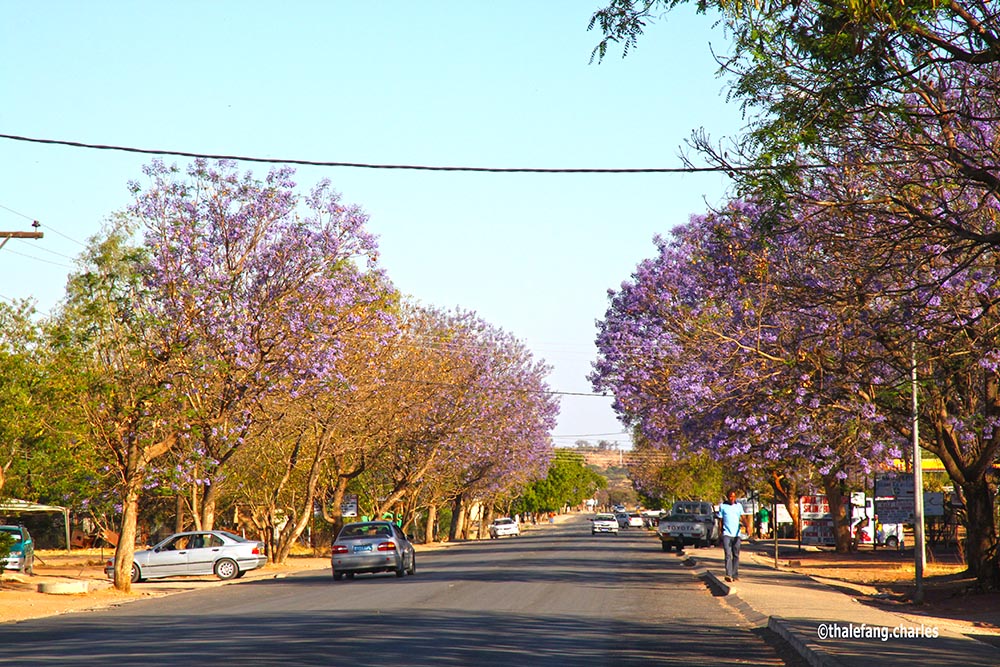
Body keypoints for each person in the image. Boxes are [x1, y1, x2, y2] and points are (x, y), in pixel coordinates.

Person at [717, 490, 744, 582]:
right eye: (730, 496)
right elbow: (720, 521)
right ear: (727, 497)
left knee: (736, 555)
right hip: (726, 534)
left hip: (736, 534)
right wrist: (720, 533)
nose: (732, 498)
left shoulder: (738, 506)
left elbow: (742, 517)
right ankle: (728, 574)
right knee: (728, 554)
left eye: (733, 496)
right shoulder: (723, 506)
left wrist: (748, 526)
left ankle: (735, 574)